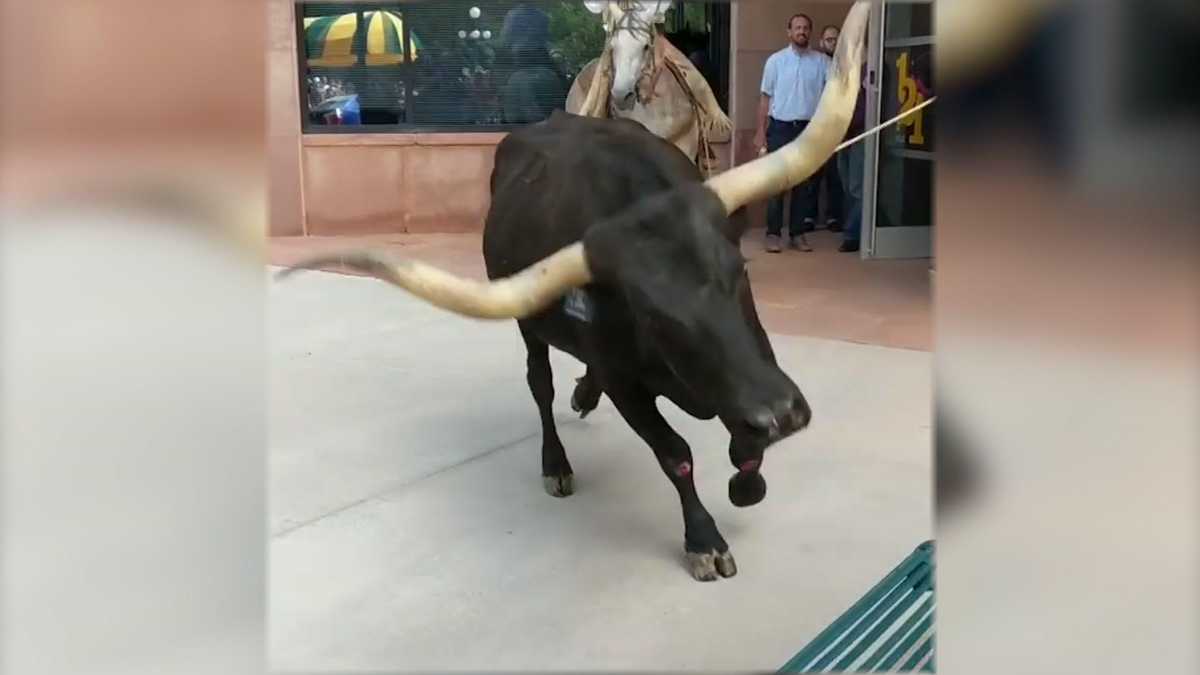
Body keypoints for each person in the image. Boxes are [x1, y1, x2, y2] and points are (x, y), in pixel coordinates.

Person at [753, 13, 830, 253]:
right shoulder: (775, 62)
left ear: (810, 32)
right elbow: (765, 99)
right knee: (777, 185)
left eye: (806, 28)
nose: (802, 31)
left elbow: (830, 99)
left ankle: (797, 234)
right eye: (797, 27)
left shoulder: (822, 63)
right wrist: (760, 132)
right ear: (789, 32)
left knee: (803, 185)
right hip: (780, 128)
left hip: (808, 129)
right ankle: (773, 234)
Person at [837, 61, 868, 253]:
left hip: (860, 135)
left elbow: (867, 107)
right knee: (847, 185)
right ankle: (852, 229)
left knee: (857, 188)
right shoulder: (842, 70)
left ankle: (852, 234)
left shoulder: (870, 68)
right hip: (842, 136)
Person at [815, 24, 843, 233]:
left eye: (836, 39)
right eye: (829, 39)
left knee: (835, 174)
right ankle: (808, 216)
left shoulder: (846, 64)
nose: (833, 43)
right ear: (821, 42)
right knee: (811, 174)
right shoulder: (816, 62)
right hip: (814, 124)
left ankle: (834, 215)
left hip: (836, 127)